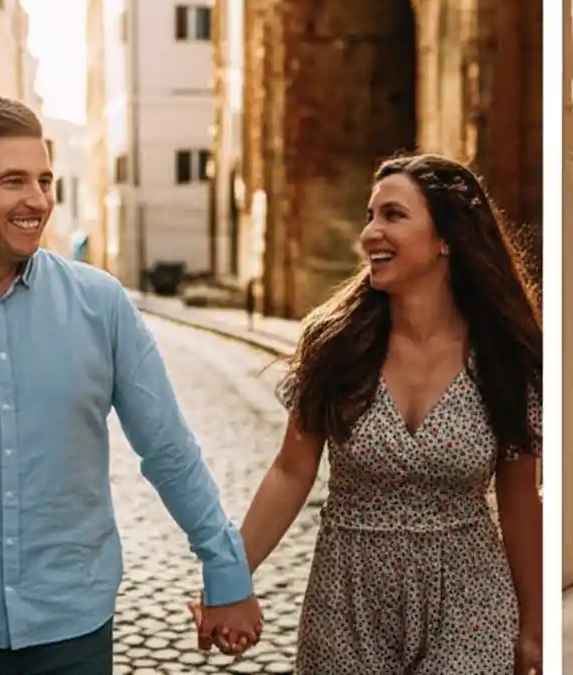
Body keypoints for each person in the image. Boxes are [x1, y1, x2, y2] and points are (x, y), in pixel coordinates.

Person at [0, 95, 262, 673]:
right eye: (13, 181)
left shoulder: (101, 305)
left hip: (72, 634)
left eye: (44, 179)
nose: (38, 200)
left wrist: (226, 568)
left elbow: (167, 448)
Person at [193, 154, 543, 674]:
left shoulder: (503, 358)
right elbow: (290, 472)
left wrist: (534, 628)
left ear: (447, 237)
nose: (371, 233)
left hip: (471, 600)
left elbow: (518, 500)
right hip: (347, 596)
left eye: (393, 215)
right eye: (370, 216)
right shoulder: (335, 345)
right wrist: (229, 581)